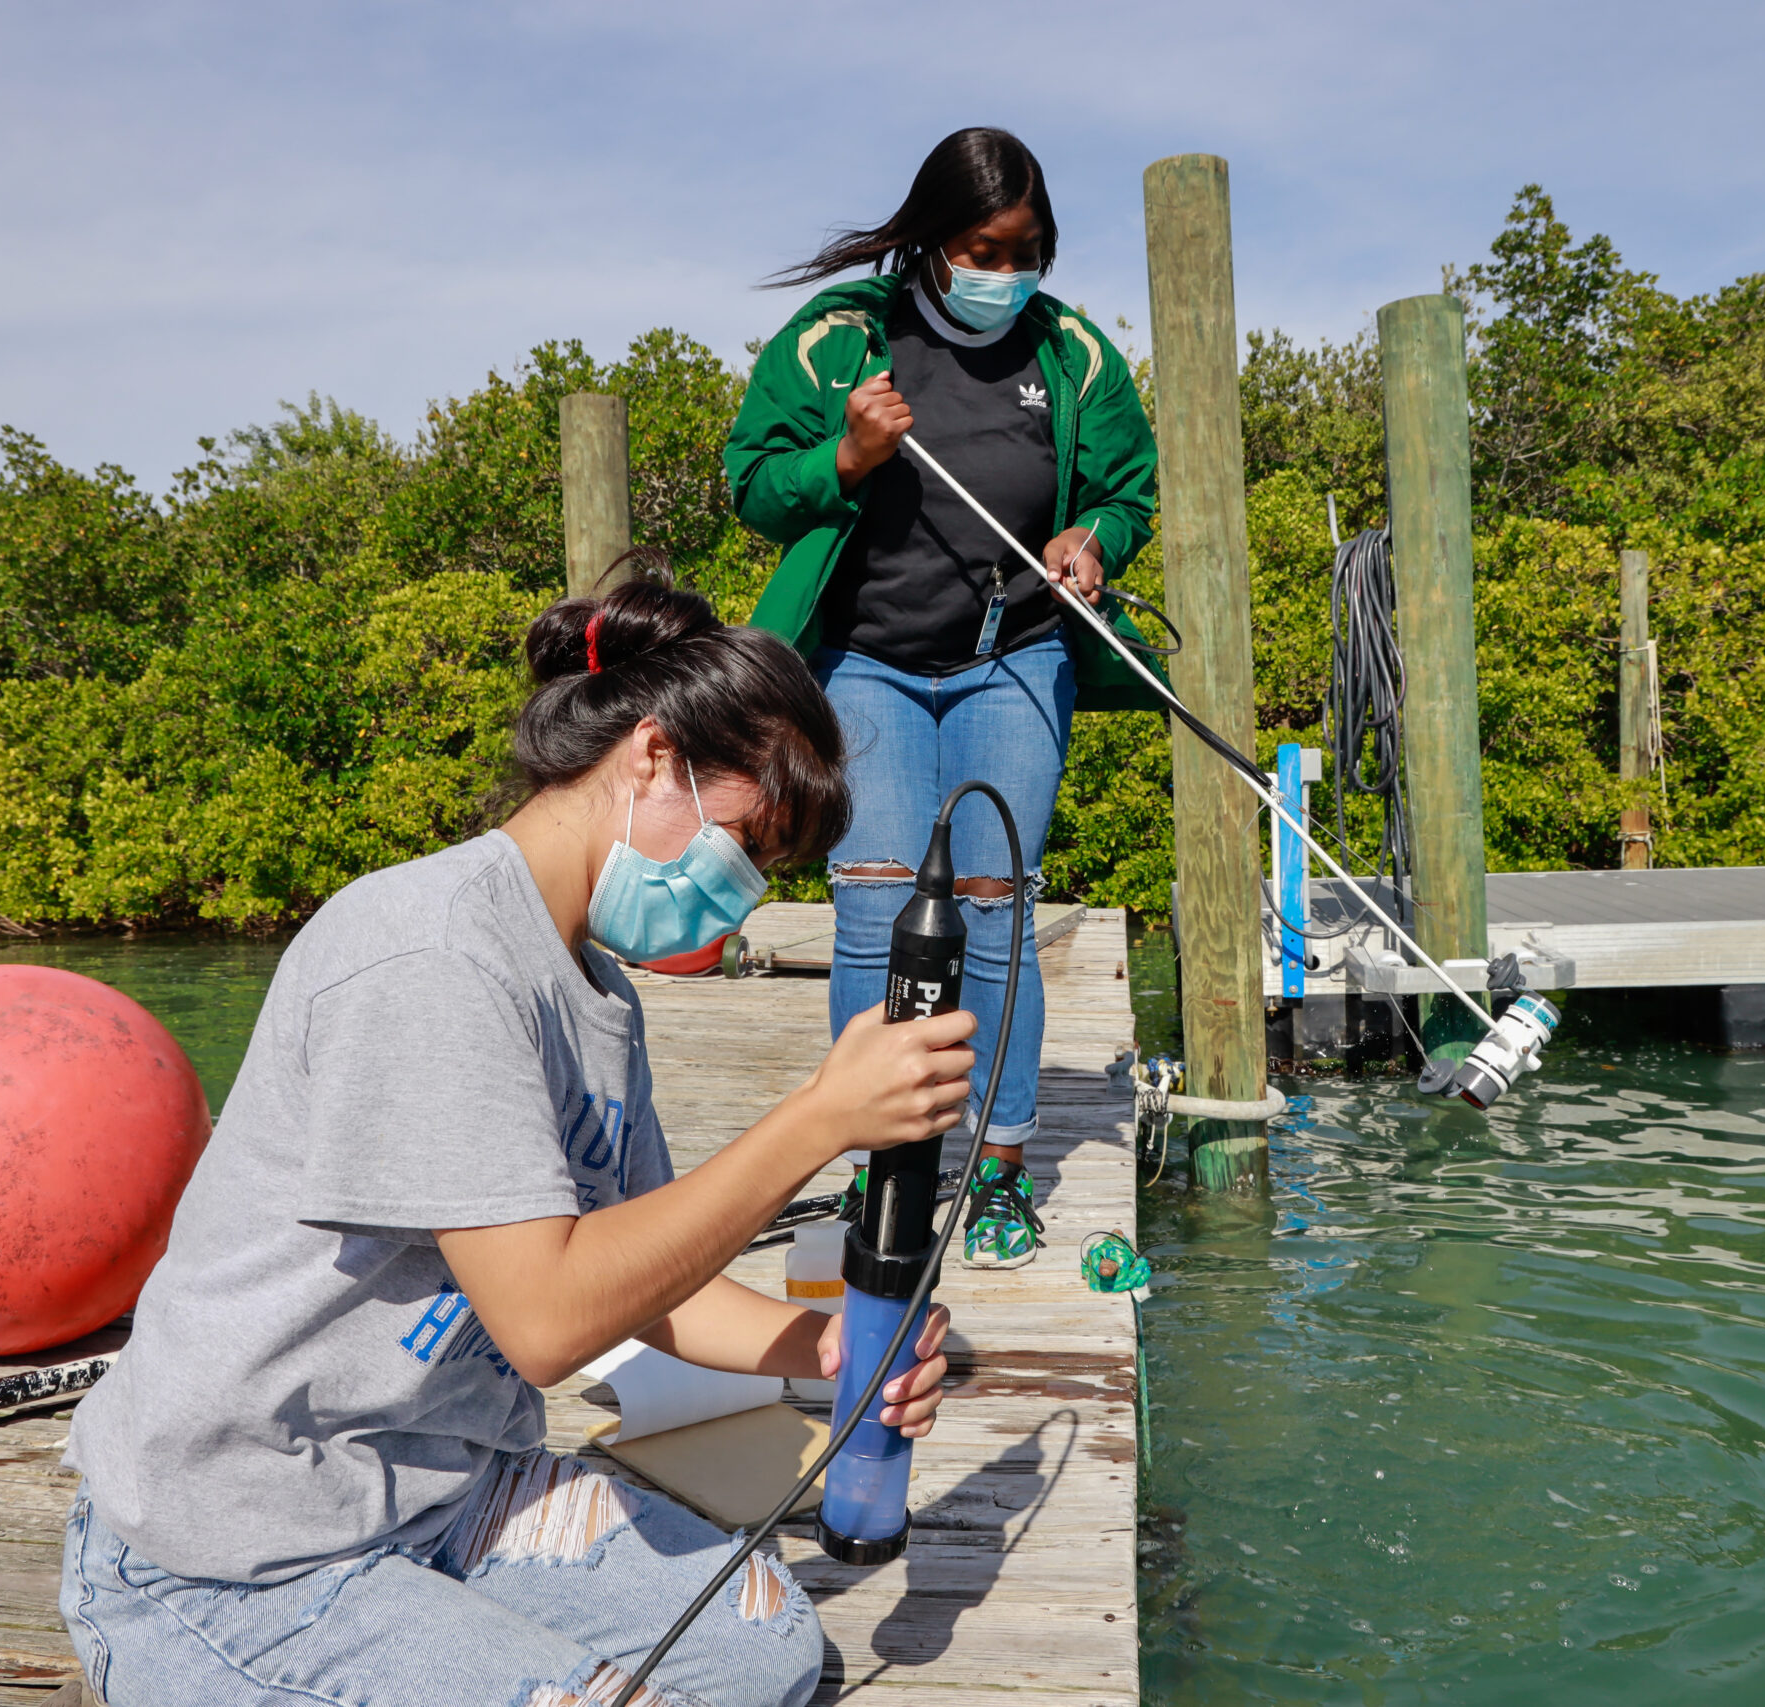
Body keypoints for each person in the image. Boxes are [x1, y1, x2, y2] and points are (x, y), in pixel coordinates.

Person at [58, 579, 976, 1707]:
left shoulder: (595, 988)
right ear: (650, 756)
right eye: (745, 844)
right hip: (242, 1548)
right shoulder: (430, 957)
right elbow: (549, 1323)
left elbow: (643, 1282)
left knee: (763, 1653)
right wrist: (818, 1120)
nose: (741, 898)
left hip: (446, 1486)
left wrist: (824, 1348)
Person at [726, 127, 1160, 1269]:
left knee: (995, 905)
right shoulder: (835, 341)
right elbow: (756, 489)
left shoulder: (1071, 354)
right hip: (863, 662)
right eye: (982, 248)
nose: (1004, 273)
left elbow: (1129, 493)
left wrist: (1092, 538)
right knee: (871, 909)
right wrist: (849, 458)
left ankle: (1002, 1166)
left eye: (1027, 252)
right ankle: (887, 1163)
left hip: (1013, 656)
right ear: (930, 238)